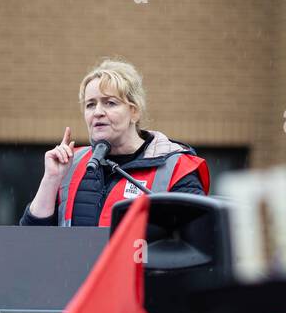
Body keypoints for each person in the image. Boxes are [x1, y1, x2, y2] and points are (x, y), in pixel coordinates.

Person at [20, 59, 209, 228]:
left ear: (134, 112)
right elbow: (32, 241)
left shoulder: (176, 168)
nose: (97, 112)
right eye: (90, 104)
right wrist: (51, 179)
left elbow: (196, 240)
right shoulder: (69, 163)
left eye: (110, 103)